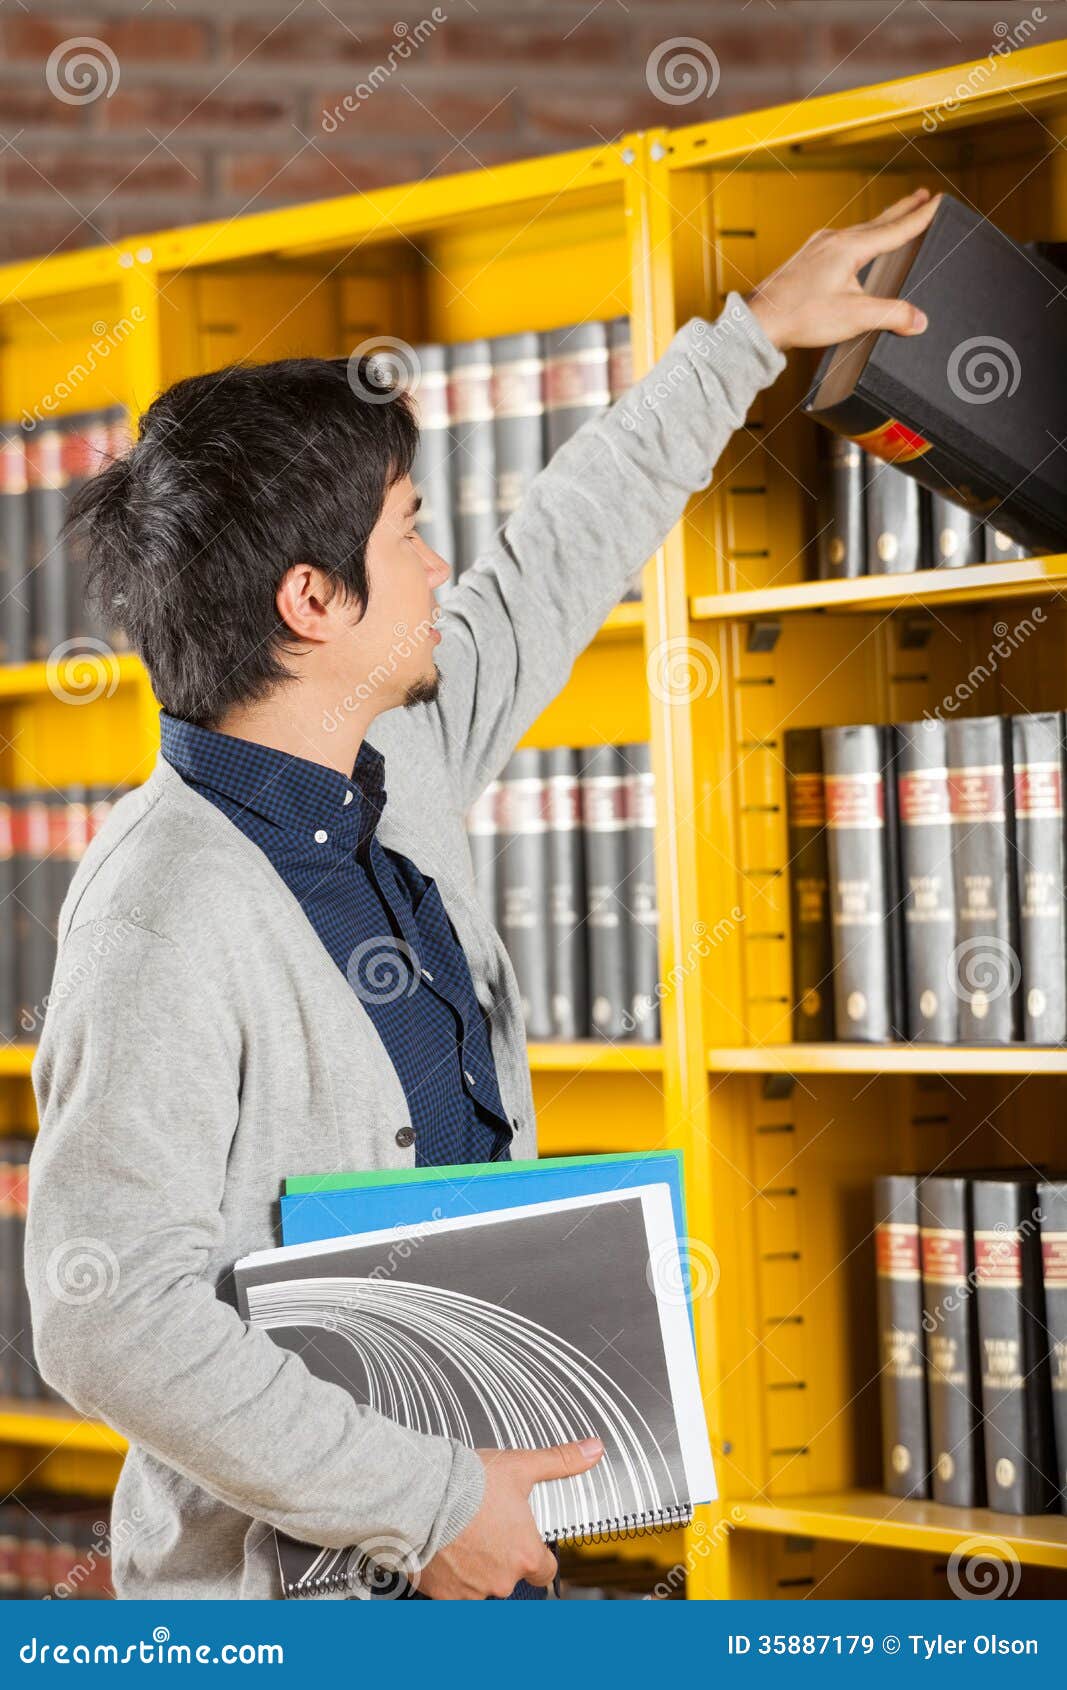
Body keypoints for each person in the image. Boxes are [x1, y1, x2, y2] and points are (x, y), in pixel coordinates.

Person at [24, 188, 939, 1600]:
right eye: (410, 534)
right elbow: (108, 1319)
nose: (443, 566)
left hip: (469, 1560)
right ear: (312, 602)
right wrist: (432, 1498)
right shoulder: (162, 912)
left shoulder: (397, 753)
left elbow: (559, 554)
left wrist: (754, 335)